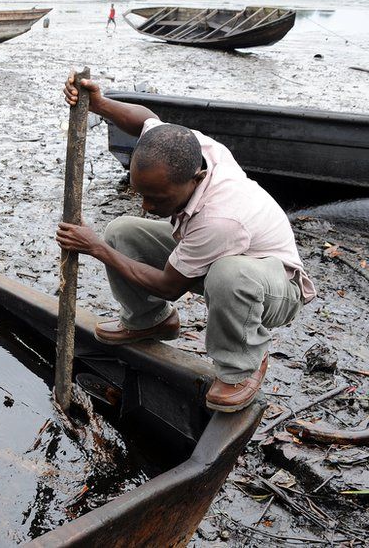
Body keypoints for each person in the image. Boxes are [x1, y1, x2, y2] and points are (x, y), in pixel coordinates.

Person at [58, 73, 315, 412]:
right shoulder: (186, 148)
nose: (147, 207)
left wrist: (95, 249)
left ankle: (241, 368)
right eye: (141, 194)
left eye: (157, 197)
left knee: (229, 275)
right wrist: (100, 104)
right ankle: (150, 321)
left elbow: (168, 286)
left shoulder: (221, 218)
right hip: (222, 256)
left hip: (274, 286)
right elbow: (146, 122)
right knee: (121, 232)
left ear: (196, 180)